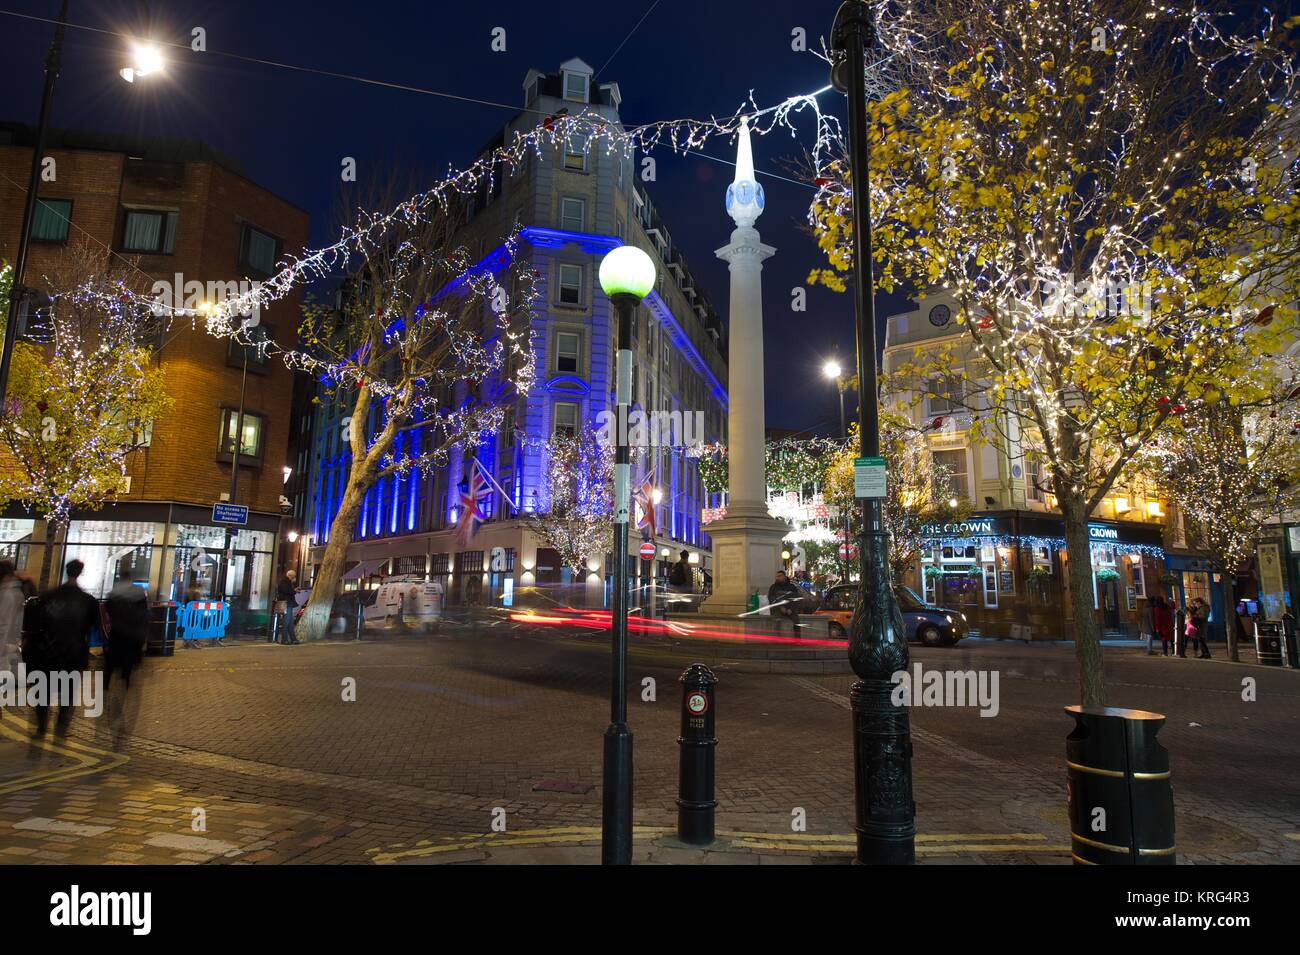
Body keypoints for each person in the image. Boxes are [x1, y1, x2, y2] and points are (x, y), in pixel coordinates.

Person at [24, 559, 100, 738]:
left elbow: (35, 623)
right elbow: (91, 627)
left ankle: (42, 726)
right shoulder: (87, 601)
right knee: (67, 692)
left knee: (44, 691)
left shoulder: (49, 596)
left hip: (47, 650)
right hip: (73, 652)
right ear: (80, 573)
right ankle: (61, 728)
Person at [104, 571, 149, 692]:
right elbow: (144, 613)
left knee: (111, 661)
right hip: (133, 633)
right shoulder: (139, 592)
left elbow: (108, 611)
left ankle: (106, 685)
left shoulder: (114, 593)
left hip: (117, 631)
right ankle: (125, 683)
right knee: (128, 660)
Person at [0, 561, 24, 692]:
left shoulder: (8, 593)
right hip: (11, 640)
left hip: (5, 642)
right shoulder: (16, 591)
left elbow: (4, 622)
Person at [275, 569, 300, 645]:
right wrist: (294, 590)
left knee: (290, 622)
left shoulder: (286, 582)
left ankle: (293, 639)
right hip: (286, 603)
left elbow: (287, 591)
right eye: (294, 576)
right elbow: (288, 591)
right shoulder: (285, 582)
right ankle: (284, 639)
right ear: (290, 576)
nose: (295, 578)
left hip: (288, 603)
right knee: (287, 622)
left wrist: (294, 590)